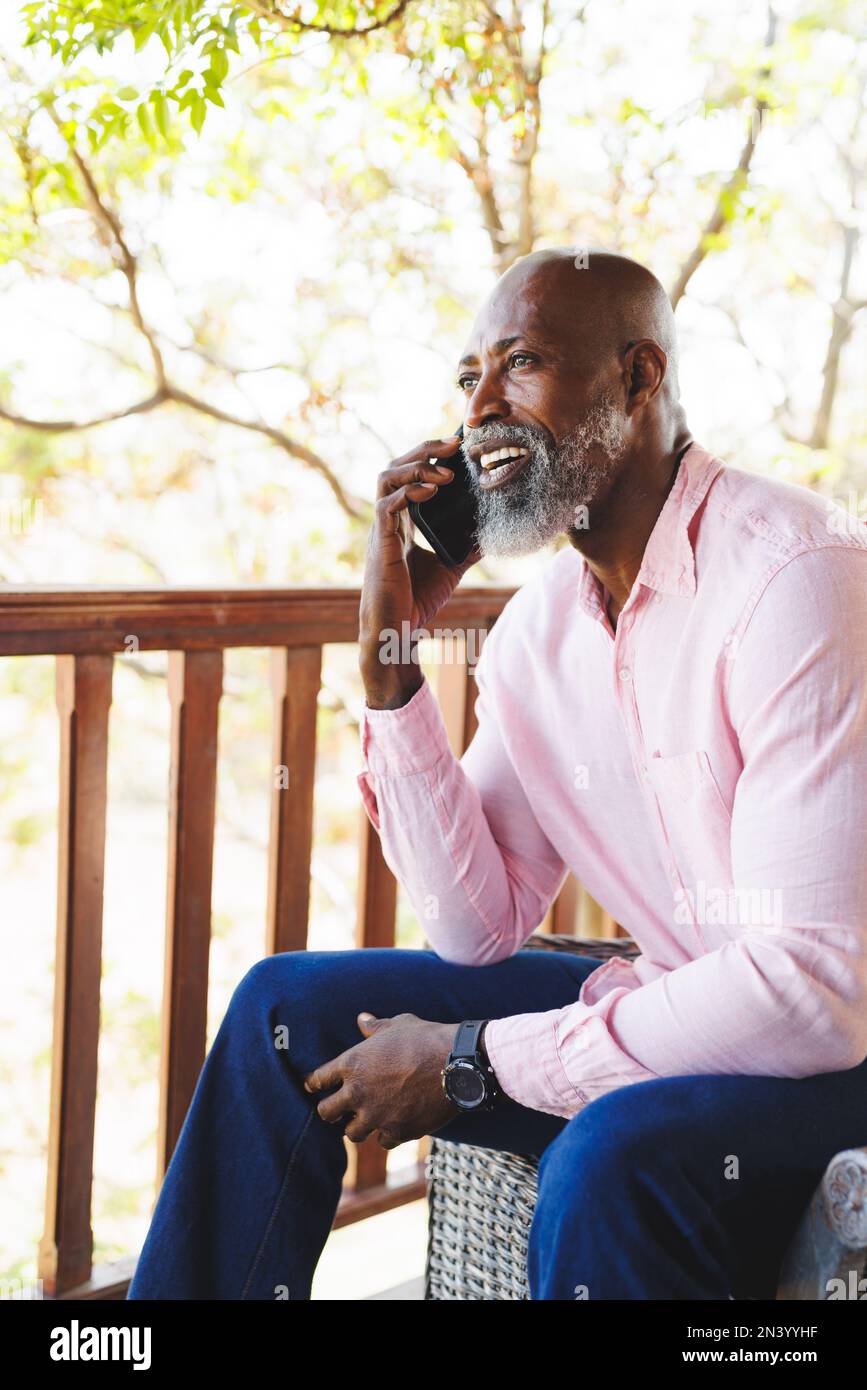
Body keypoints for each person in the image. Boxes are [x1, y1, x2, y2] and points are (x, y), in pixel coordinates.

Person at [128, 247, 867, 1301]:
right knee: (279, 1011)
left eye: (520, 365)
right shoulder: (542, 635)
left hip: (845, 1052)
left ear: (638, 377)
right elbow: (474, 924)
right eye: (468, 376)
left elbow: (817, 993)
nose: (479, 408)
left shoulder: (795, 575)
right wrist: (392, 659)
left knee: (609, 1154)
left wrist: (477, 1056)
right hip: (688, 1001)